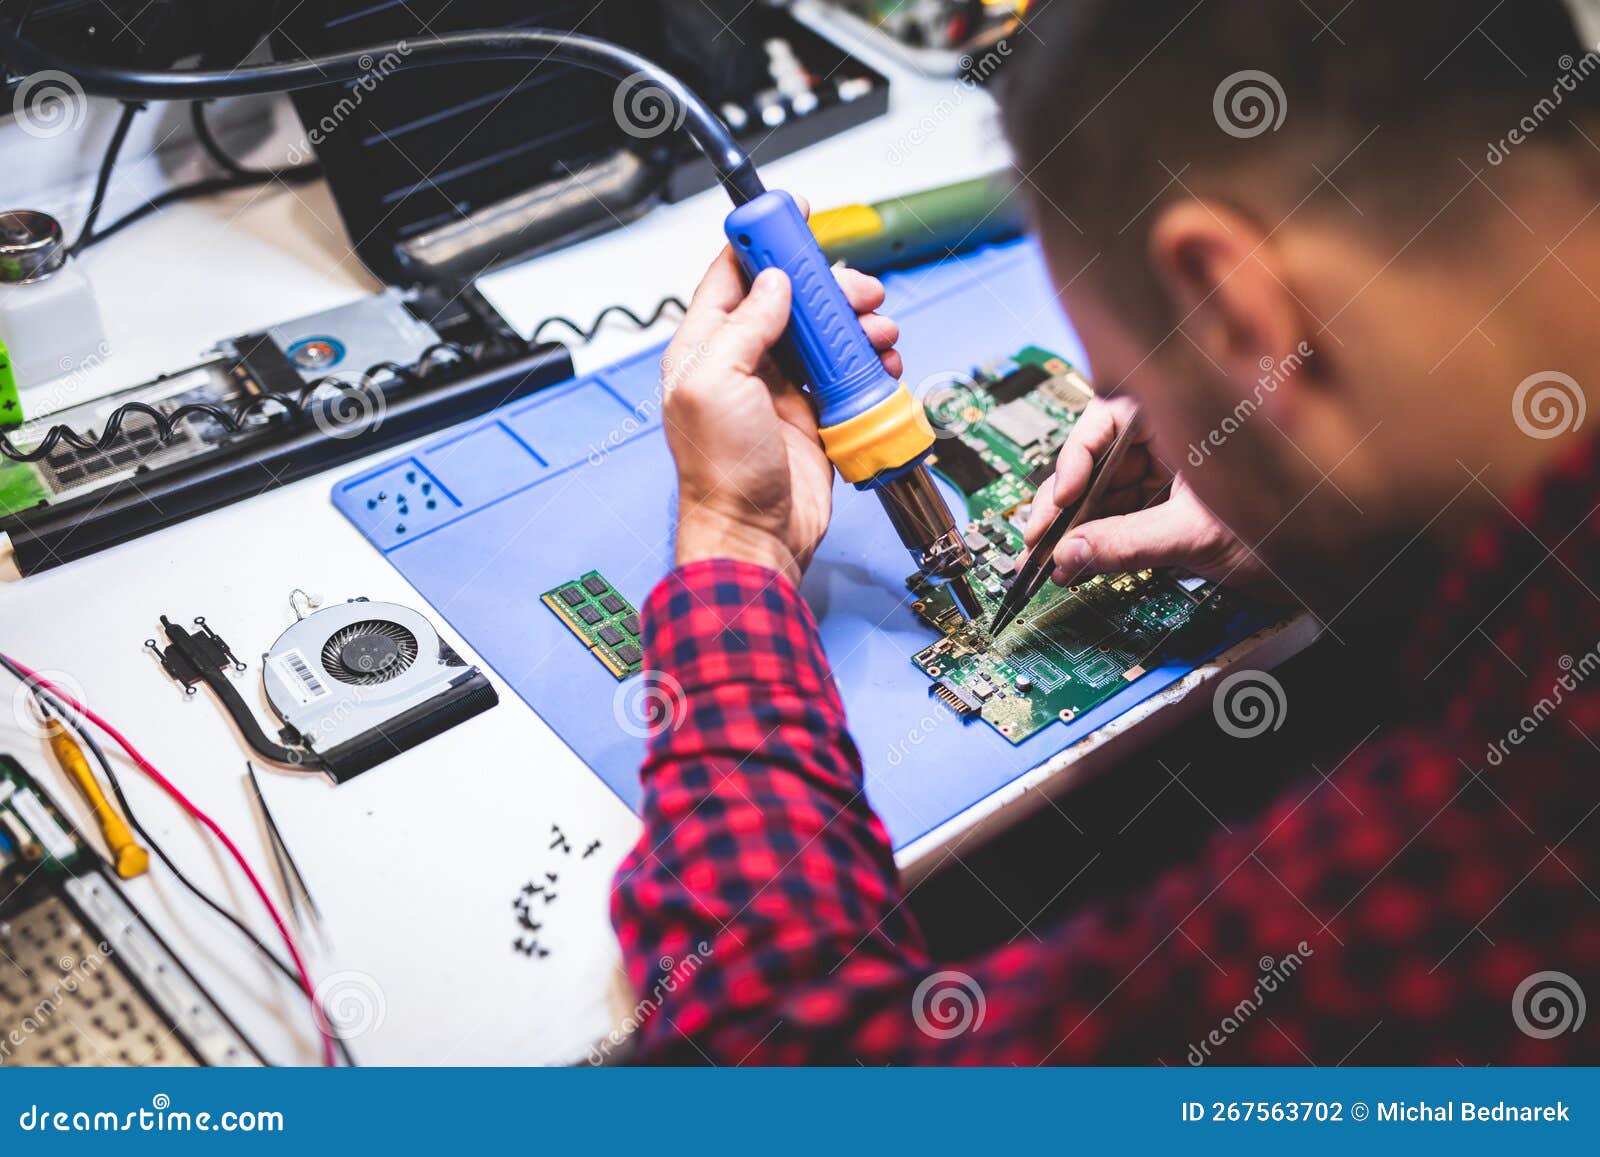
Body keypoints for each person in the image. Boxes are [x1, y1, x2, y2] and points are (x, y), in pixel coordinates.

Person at [609, 0, 1600, 1063]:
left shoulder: (1475, 863)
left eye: (1132, 384)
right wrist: (1326, 500)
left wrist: (736, 538)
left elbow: (783, 1077)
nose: (1161, 437)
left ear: (1240, 316)